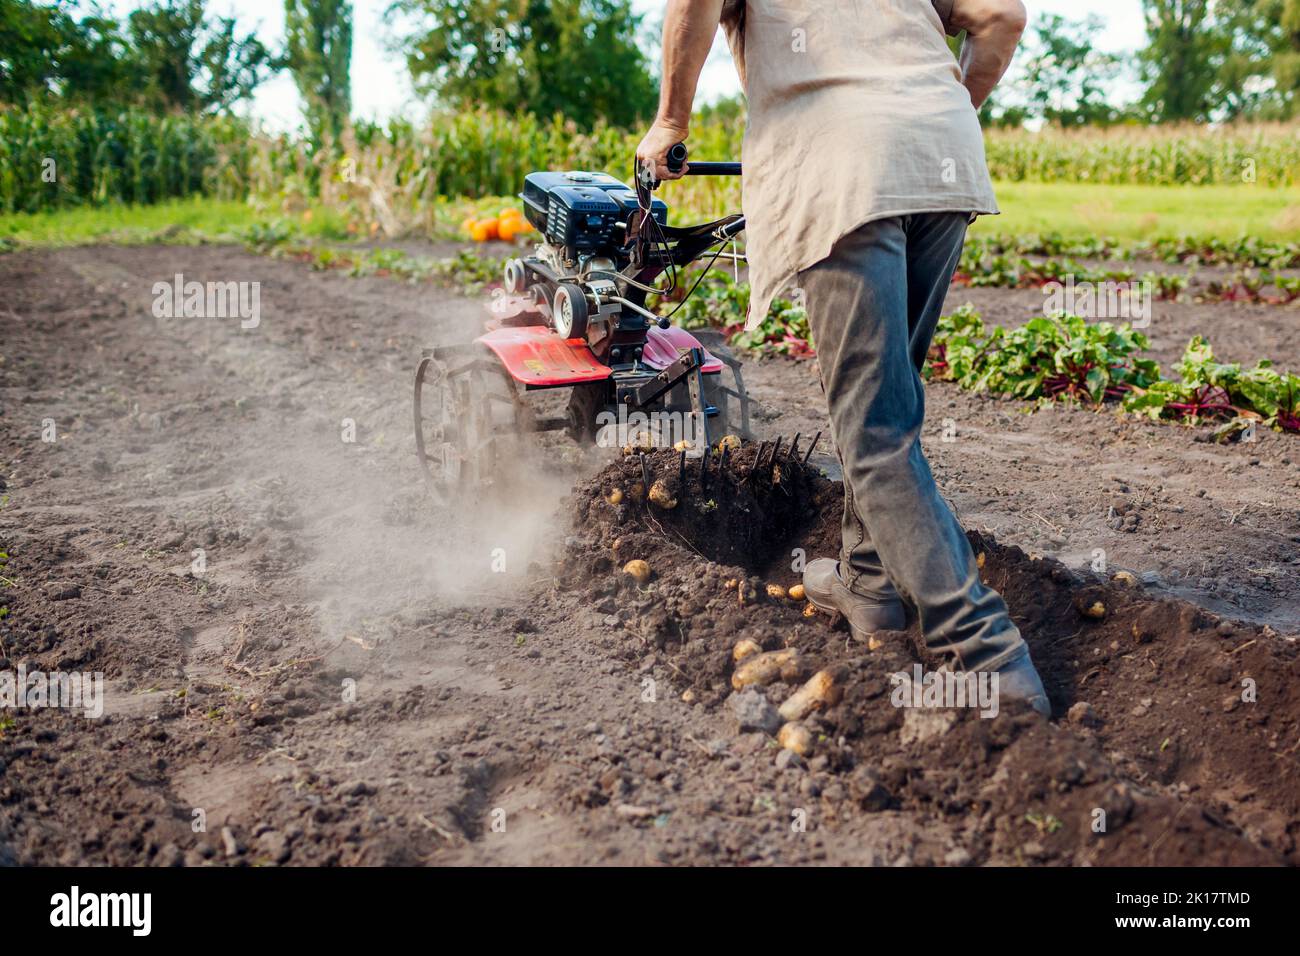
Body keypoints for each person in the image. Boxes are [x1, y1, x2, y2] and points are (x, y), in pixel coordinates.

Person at [636, 0, 1050, 715]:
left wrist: (671, 121)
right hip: (941, 161)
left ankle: (987, 655)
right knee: (891, 402)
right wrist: (935, 112)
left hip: (843, 166)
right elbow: (1002, 17)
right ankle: (868, 585)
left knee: (875, 437)